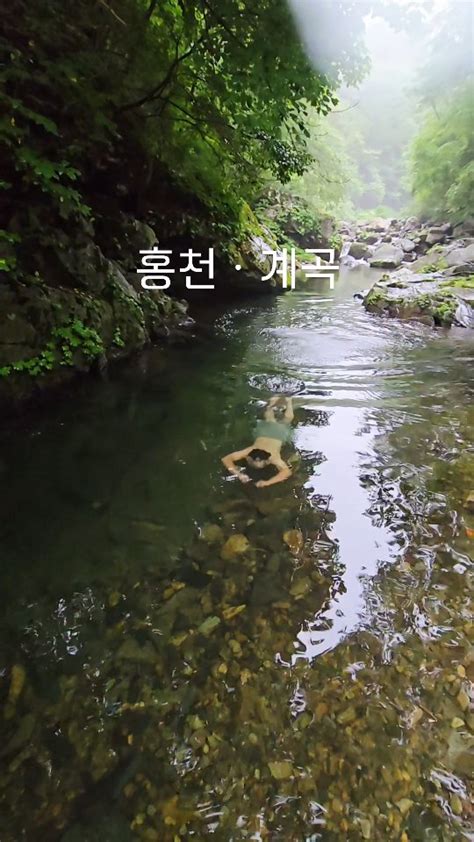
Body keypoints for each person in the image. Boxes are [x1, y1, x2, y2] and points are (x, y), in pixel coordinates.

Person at [221, 396, 294, 488]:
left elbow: (287, 472)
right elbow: (226, 459)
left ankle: (288, 401)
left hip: (278, 435)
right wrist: (238, 474)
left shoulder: (273, 457)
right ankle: (274, 404)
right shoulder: (250, 451)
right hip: (263, 433)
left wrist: (267, 482)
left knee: (286, 421)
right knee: (270, 420)